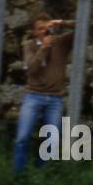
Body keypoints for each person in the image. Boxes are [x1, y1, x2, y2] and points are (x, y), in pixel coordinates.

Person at [13, 13, 74, 174]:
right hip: (33, 96)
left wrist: (62, 21)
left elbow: (84, 25)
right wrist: (44, 48)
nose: (45, 31)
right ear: (34, 32)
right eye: (40, 29)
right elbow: (31, 69)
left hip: (55, 98)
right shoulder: (30, 45)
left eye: (47, 27)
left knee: (52, 141)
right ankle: (18, 177)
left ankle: (42, 177)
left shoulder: (61, 42)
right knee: (22, 138)